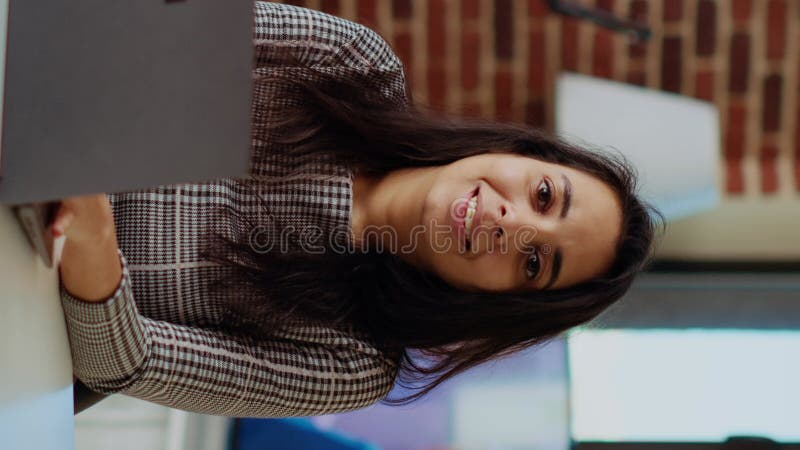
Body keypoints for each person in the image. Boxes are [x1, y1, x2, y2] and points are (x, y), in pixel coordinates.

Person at [55, 2, 660, 416]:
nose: (513, 224)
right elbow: (147, 31)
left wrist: (91, 237)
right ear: (519, 150)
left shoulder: (354, 365)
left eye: (534, 264)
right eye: (544, 196)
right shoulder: (351, 62)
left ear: (502, 304)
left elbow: (128, 364)